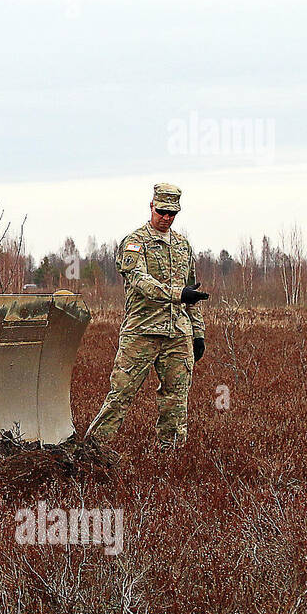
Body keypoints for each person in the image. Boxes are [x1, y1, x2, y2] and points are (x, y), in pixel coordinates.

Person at [86, 183, 209, 448]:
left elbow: (192, 293)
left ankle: (171, 458)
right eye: (162, 211)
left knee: (176, 400)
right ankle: (91, 453)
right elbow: (141, 282)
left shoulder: (183, 246)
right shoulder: (134, 243)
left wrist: (198, 333)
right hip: (141, 332)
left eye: (172, 213)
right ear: (152, 206)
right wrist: (178, 294)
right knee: (120, 396)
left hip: (177, 335)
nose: (166, 218)